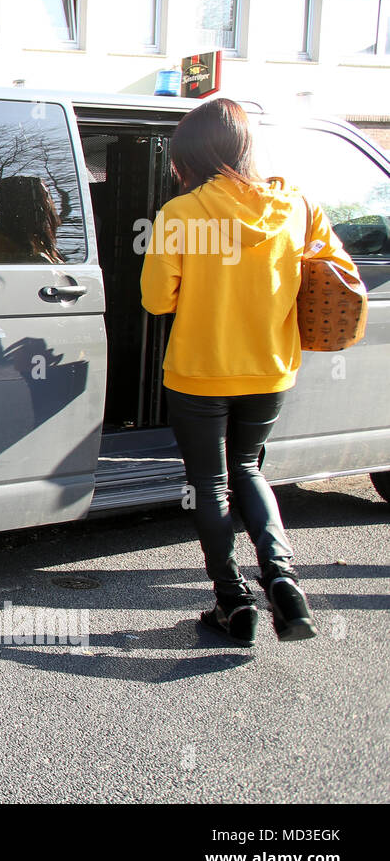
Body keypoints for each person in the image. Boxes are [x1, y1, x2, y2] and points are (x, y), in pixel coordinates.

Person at [140, 97, 359, 646]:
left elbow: (154, 300)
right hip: (270, 370)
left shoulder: (182, 214)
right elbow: (333, 273)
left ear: (191, 157)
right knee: (249, 470)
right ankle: (283, 582)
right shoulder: (297, 206)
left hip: (199, 372)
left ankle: (232, 600)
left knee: (210, 486)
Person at [0, 175, 62, 264]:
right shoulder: (0, 244)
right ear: (23, 202)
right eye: (41, 196)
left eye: (47, 196)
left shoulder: (38, 240)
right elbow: (10, 277)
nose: (47, 203)